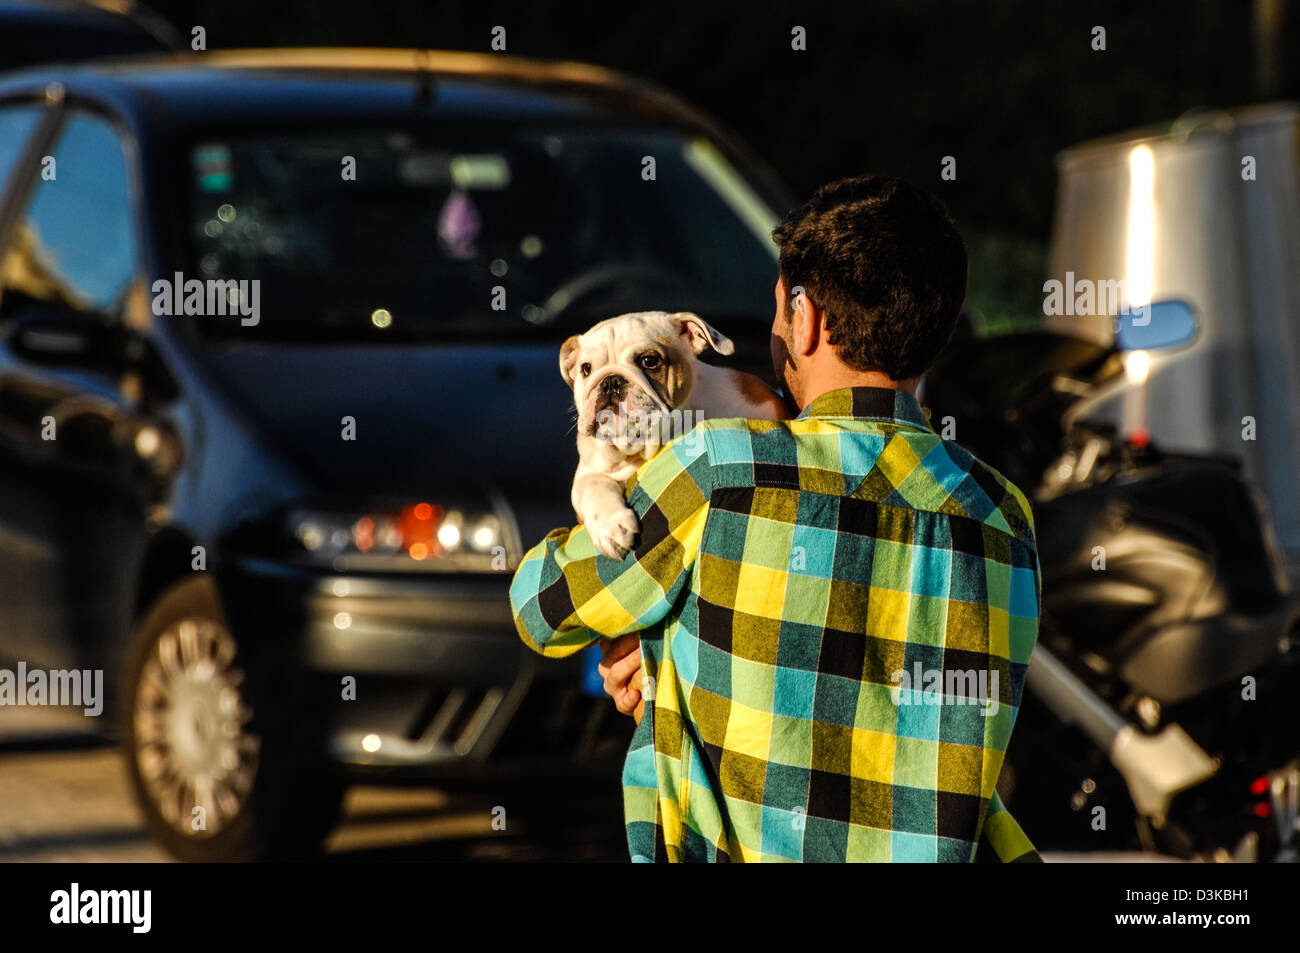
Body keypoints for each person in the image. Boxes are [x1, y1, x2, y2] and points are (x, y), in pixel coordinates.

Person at [509, 175, 1041, 862]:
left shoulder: (718, 470)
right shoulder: (1001, 515)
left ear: (807, 318)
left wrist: (655, 650)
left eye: (777, 313)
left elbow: (540, 605)